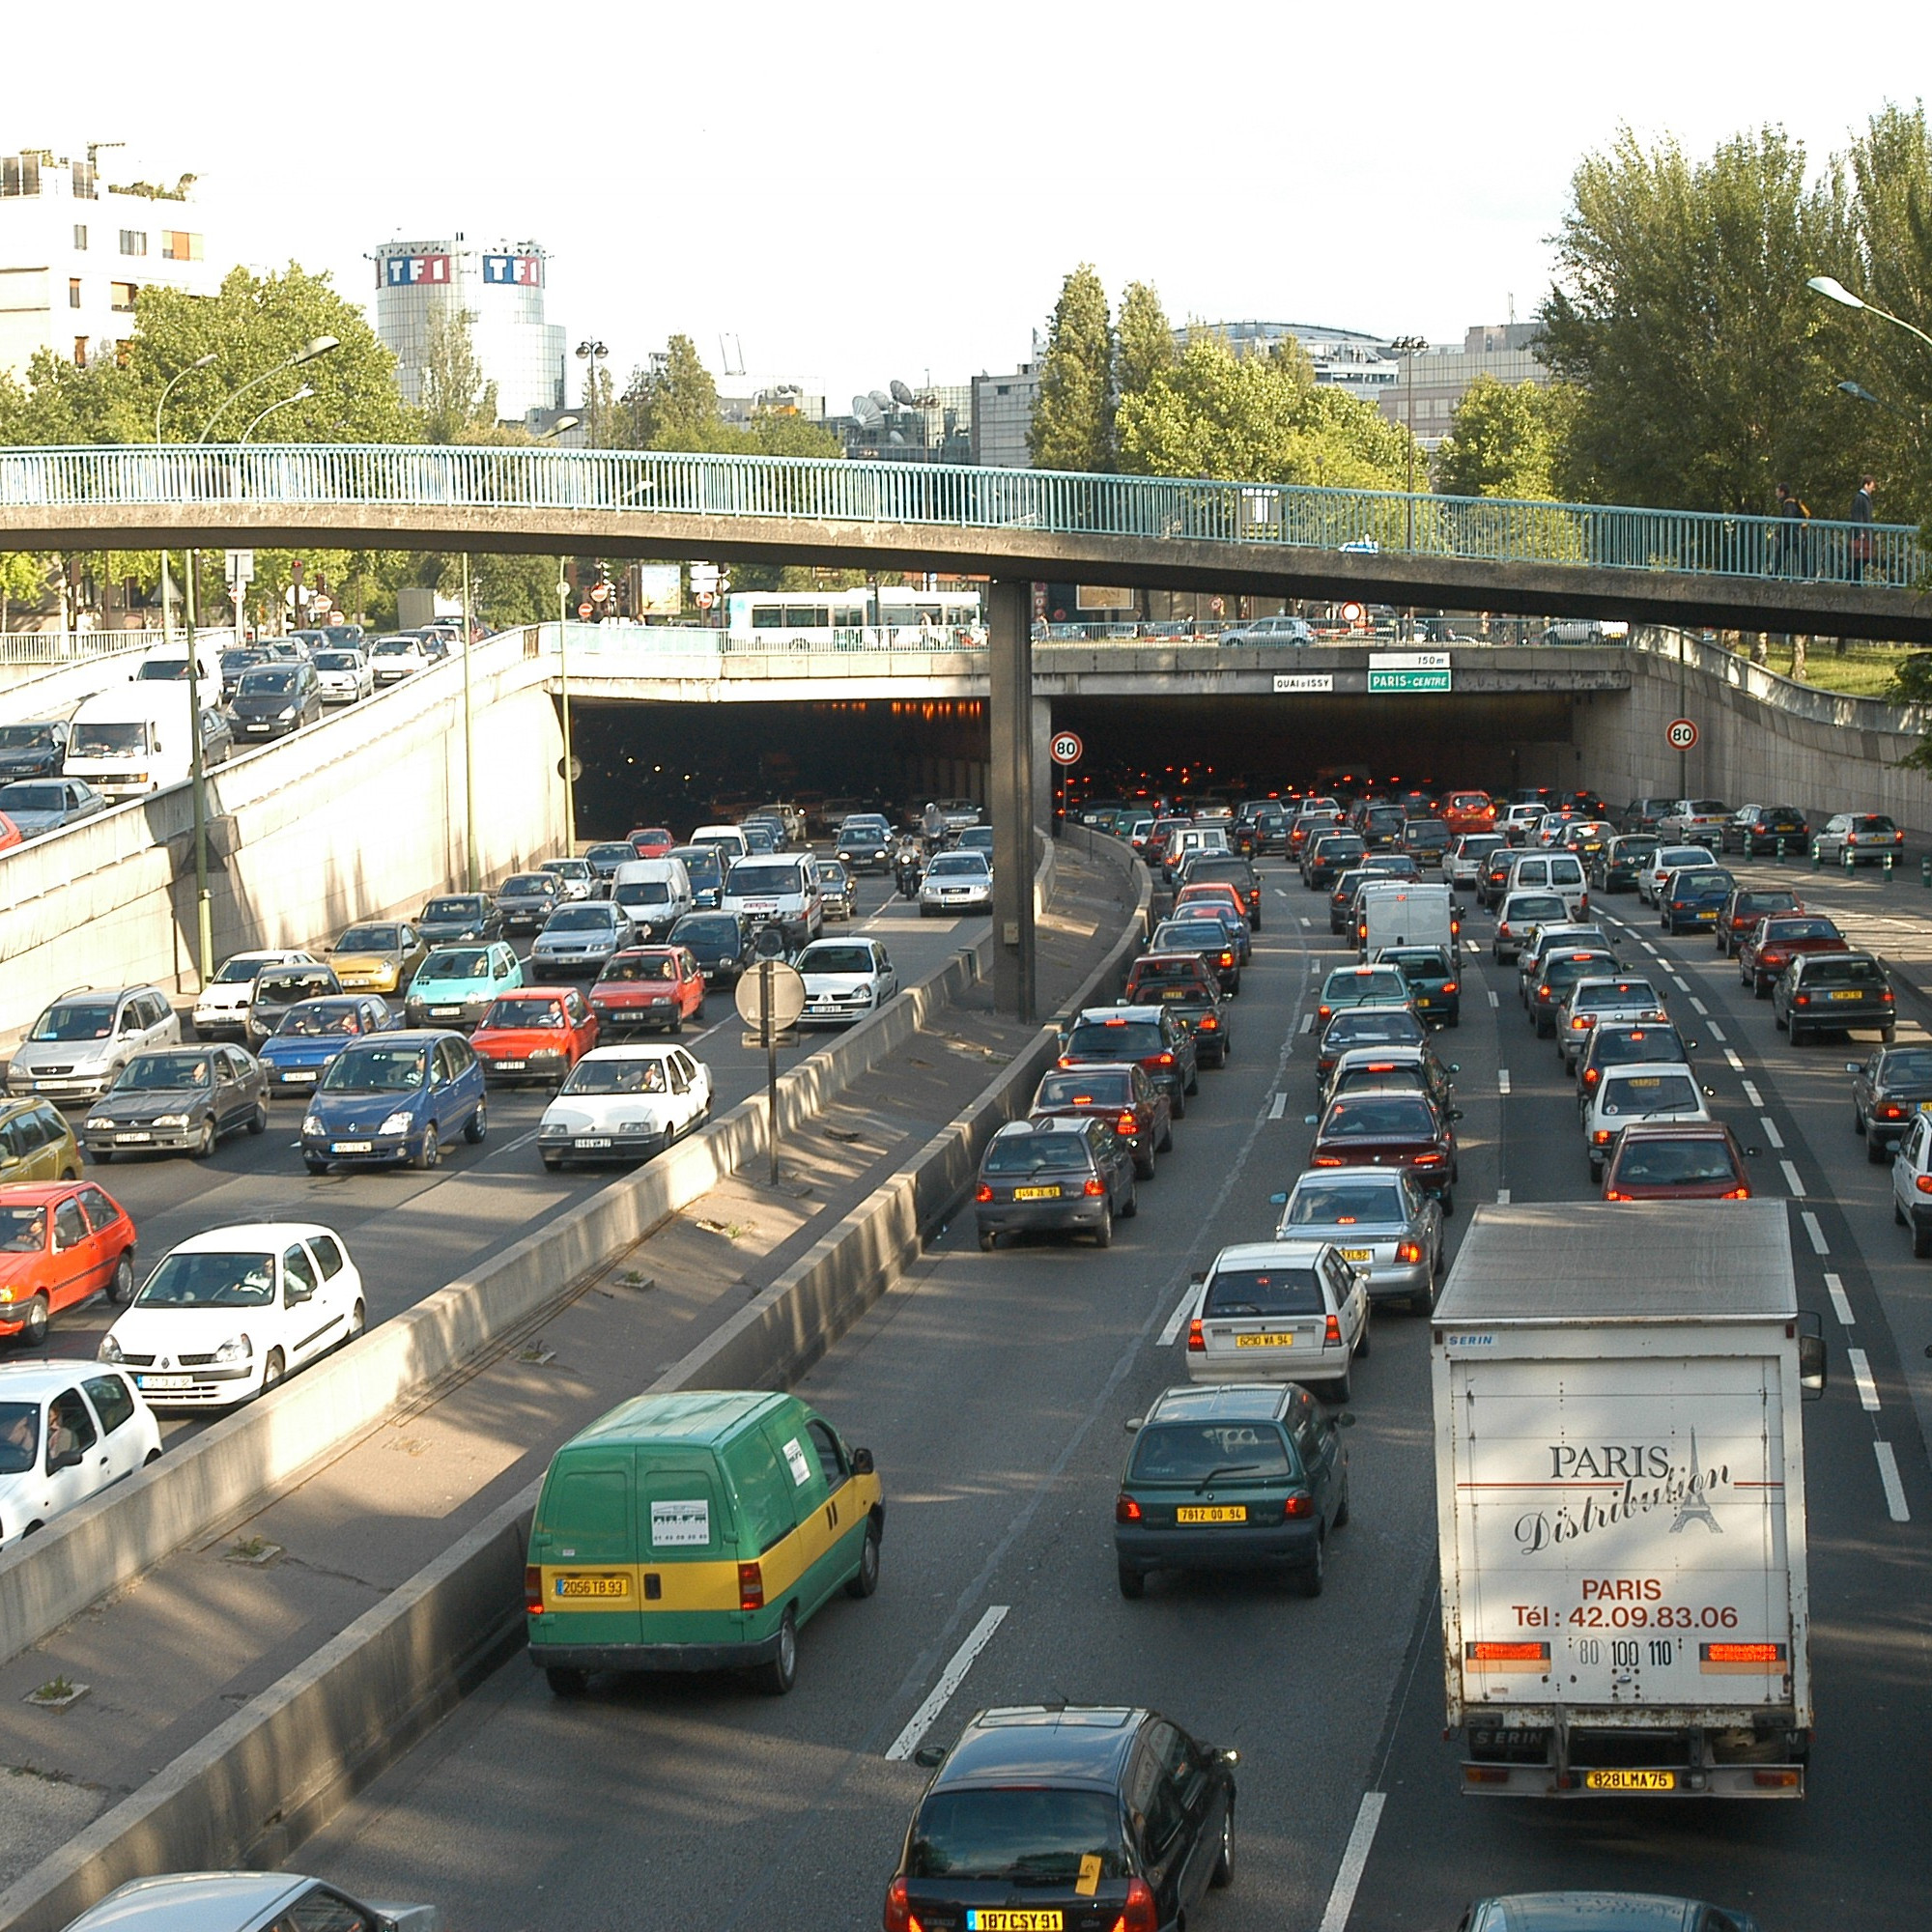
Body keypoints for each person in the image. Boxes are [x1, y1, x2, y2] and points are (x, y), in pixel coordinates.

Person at [1774, 483, 1809, 578]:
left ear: (1782, 492)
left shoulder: (1788, 503)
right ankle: (1774, 573)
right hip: (1794, 533)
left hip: (1793, 533)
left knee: (1799, 555)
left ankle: (1807, 576)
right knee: (1783, 553)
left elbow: (1788, 519)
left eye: (1777, 491)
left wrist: (1779, 533)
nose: (1776, 494)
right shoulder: (1792, 501)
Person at [1848, 475, 1876, 582]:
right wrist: (1860, 532)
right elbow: (1857, 516)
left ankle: (1853, 579)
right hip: (1862, 534)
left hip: (1865, 533)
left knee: (1864, 558)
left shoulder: (1863, 498)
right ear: (1866, 485)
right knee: (1861, 558)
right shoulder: (1860, 498)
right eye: (1871, 486)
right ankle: (1853, 579)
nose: (1872, 490)